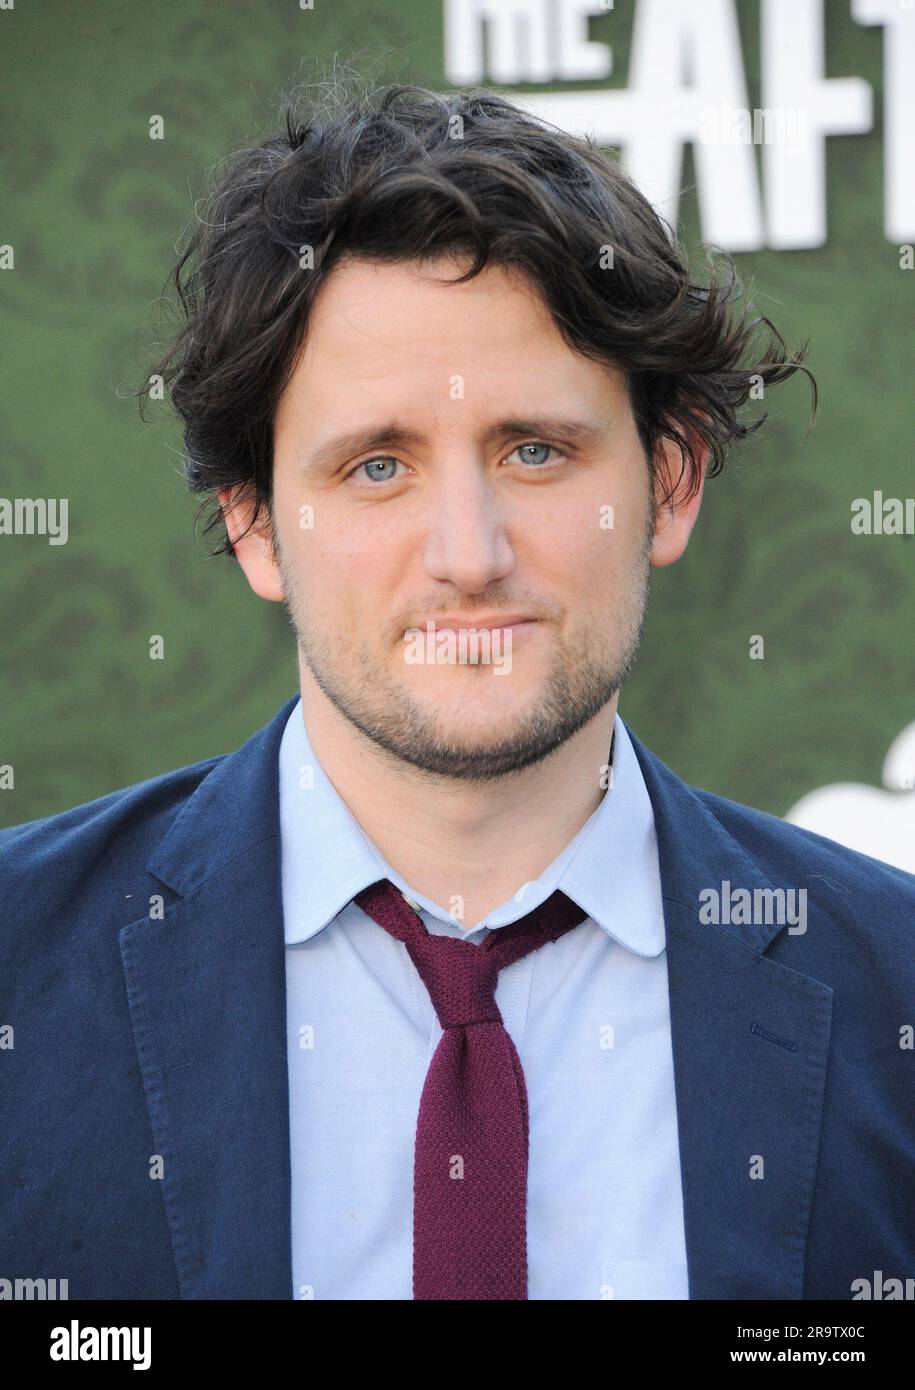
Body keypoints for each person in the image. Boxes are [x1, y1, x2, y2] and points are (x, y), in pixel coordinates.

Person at [2, 79, 913, 1303]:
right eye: (378, 465)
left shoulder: (891, 988)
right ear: (258, 526)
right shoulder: (19, 967)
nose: (468, 551)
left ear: (672, 481)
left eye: (534, 450)